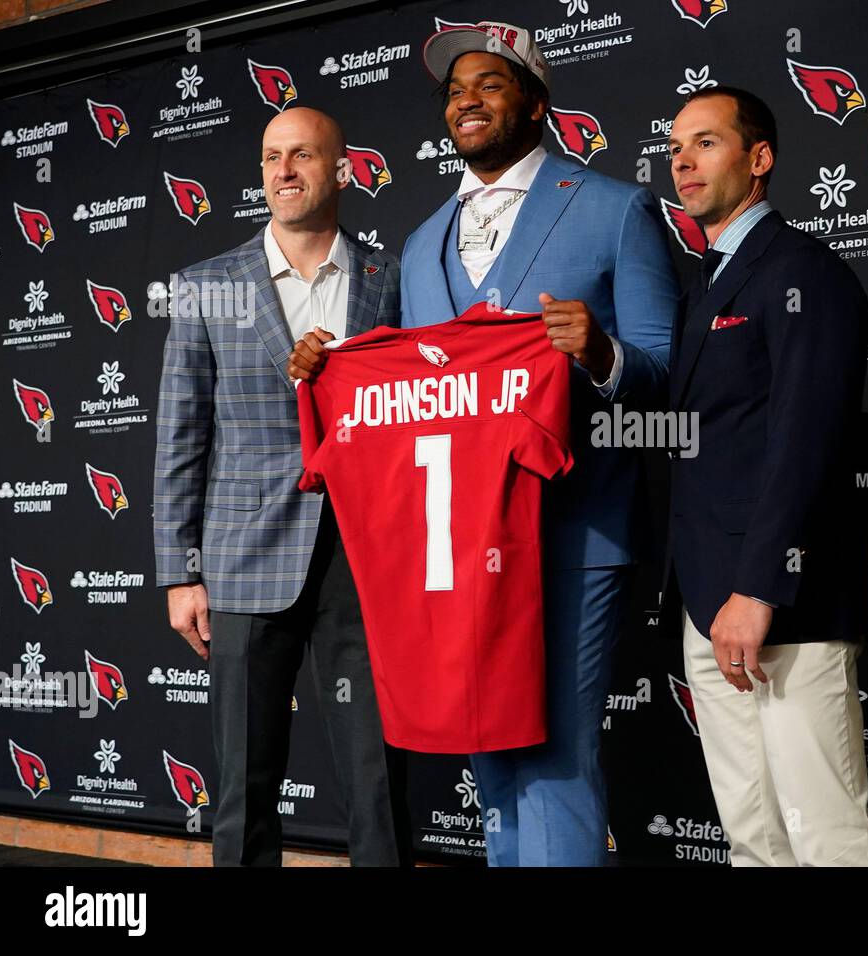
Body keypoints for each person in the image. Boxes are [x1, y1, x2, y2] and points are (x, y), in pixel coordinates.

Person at [288, 22, 677, 867]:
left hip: (576, 535)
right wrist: (328, 368)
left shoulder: (616, 208)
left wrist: (602, 354)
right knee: (489, 747)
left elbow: (664, 372)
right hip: (464, 548)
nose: (467, 99)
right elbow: (406, 388)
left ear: (536, 102)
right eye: (455, 89)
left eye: (490, 84)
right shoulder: (422, 243)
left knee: (555, 755)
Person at [154, 107, 408, 866]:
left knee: (379, 778)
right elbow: (179, 438)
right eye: (271, 157)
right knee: (242, 784)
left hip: (365, 560)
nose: (284, 170)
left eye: (302, 155)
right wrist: (180, 572)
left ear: (343, 168)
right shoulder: (207, 287)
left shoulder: (391, 279)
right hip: (240, 557)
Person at [665, 86, 868, 867]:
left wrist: (759, 588)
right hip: (706, 599)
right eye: (676, 148)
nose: (683, 162)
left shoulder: (804, 271)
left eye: (706, 143)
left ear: (759, 159)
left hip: (782, 604)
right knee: (754, 837)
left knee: (826, 832)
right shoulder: (701, 282)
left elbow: (809, 442)